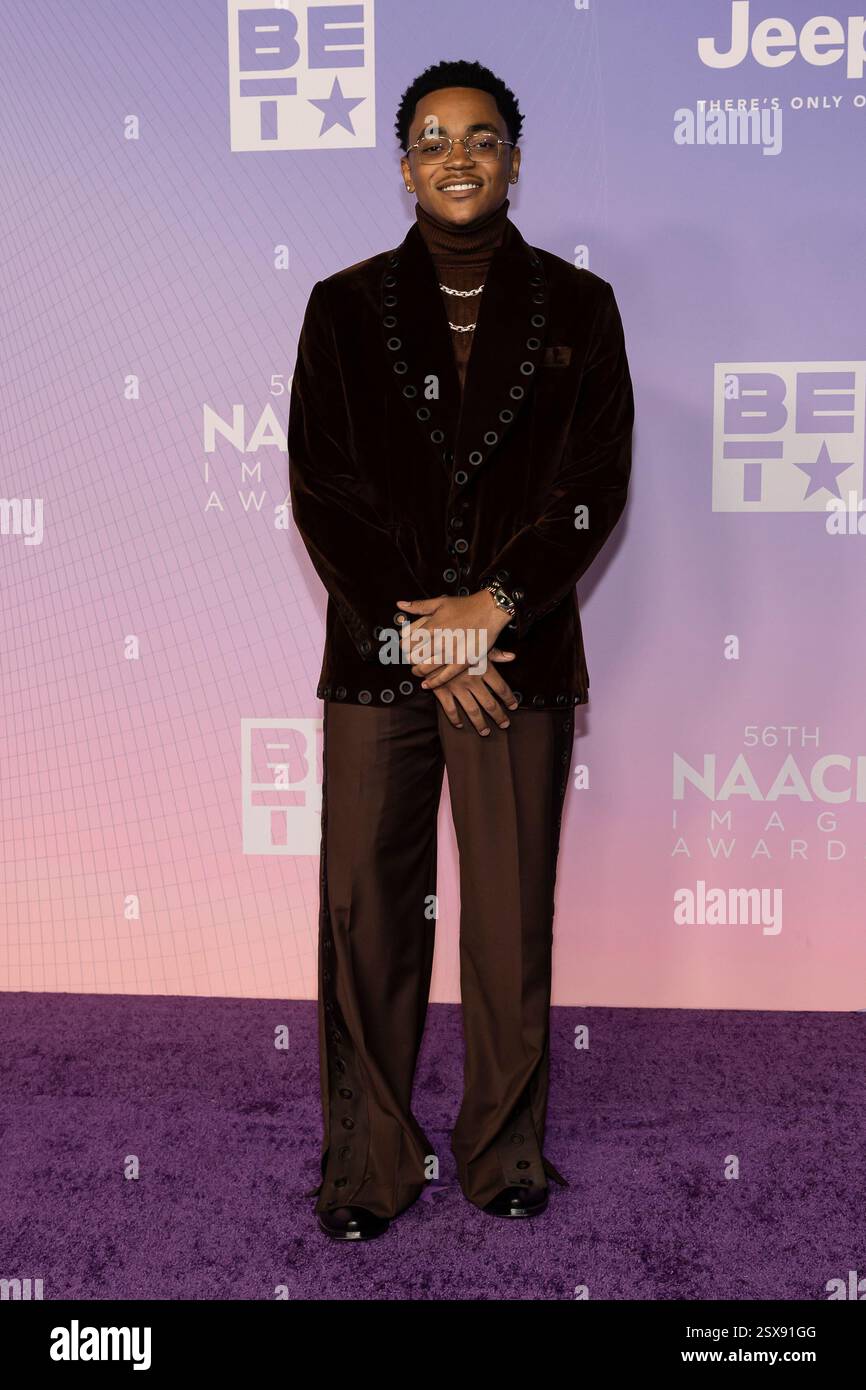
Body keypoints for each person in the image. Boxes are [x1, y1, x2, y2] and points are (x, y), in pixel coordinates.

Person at [288, 58, 634, 1240]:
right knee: (368, 914)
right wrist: (428, 630)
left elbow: (593, 489)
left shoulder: (580, 312)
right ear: (403, 165)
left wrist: (494, 609)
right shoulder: (340, 307)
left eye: (479, 137)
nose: (455, 155)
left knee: (504, 918)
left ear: (512, 159)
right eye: (430, 137)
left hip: (520, 658)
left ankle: (503, 1152)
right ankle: (368, 1164)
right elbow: (322, 492)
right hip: (378, 662)